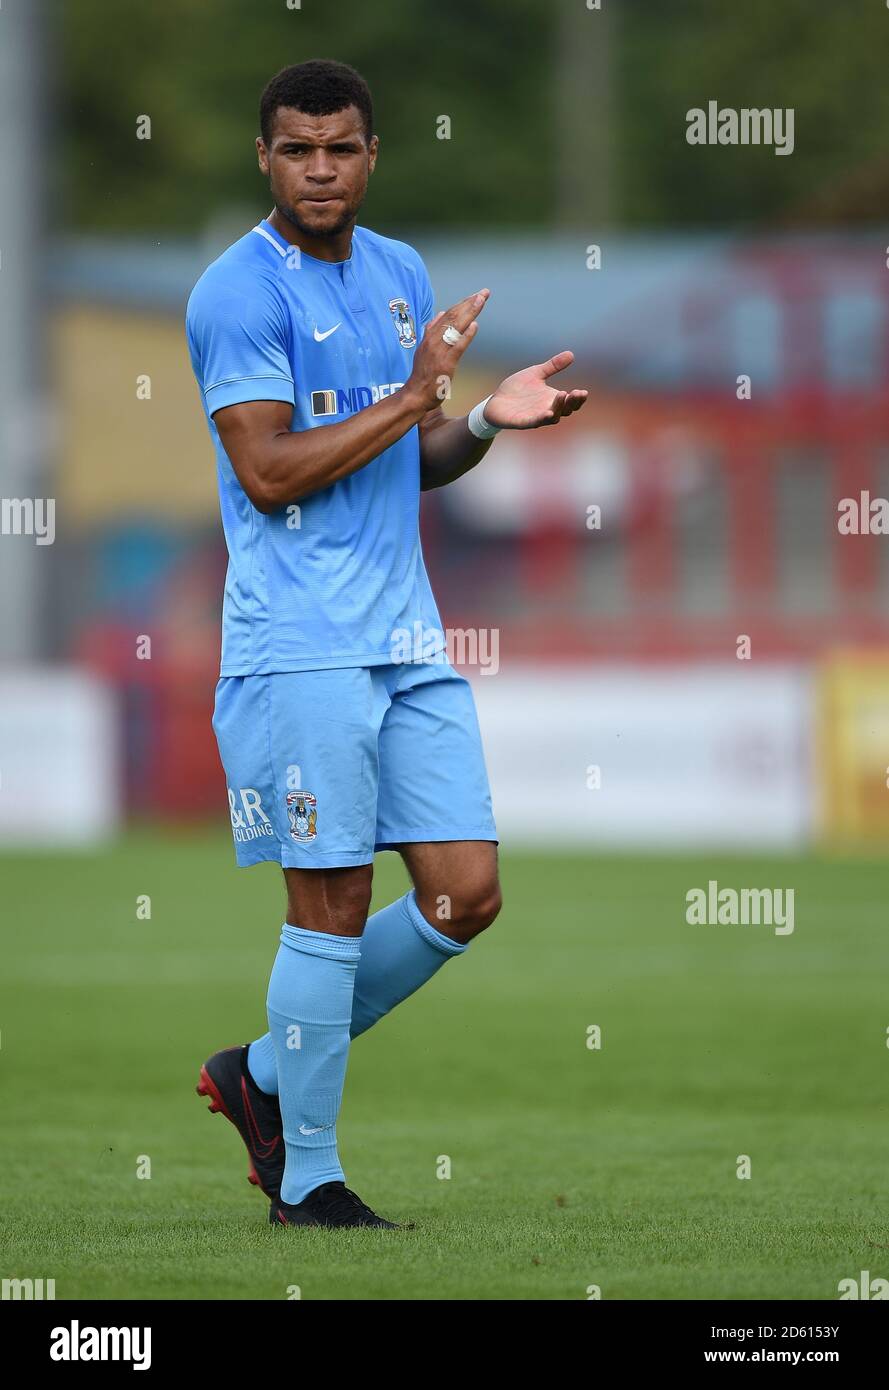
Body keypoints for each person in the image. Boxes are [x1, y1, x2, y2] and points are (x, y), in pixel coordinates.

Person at [186, 59, 587, 1229]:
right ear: (264, 157)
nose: (321, 168)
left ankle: (260, 1070)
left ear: (372, 155)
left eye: (343, 147)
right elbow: (266, 474)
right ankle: (307, 1178)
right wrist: (417, 398)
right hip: (299, 643)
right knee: (333, 901)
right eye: (298, 149)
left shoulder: (402, 273)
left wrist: (475, 423)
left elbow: (407, 455)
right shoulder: (235, 292)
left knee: (466, 894)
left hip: (405, 633)